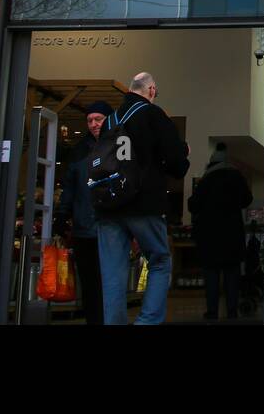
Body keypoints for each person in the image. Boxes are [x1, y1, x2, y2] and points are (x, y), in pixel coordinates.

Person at [96, 72, 189, 325]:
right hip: (144, 204)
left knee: (113, 272)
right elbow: (176, 164)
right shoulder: (153, 114)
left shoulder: (109, 120)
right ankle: (147, 322)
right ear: (151, 90)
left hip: (109, 205)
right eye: (155, 93)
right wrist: (183, 152)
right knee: (159, 261)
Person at [56, 101, 110, 325]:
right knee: (90, 283)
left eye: (99, 119)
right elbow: (70, 187)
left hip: (111, 226)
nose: (94, 124)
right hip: (85, 228)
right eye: (90, 120)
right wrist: (62, 216)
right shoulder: (79, 152)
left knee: (109, 281)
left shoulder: (120, 146)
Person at [188, 142, 252, 321]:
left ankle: (212, 312)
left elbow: (193, 204)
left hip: (209, 235)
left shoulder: (206, 179)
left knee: (211, 275)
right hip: (232, 233)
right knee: (232, 274)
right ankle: (232, 312)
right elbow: (247, 199)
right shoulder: (236, 176)